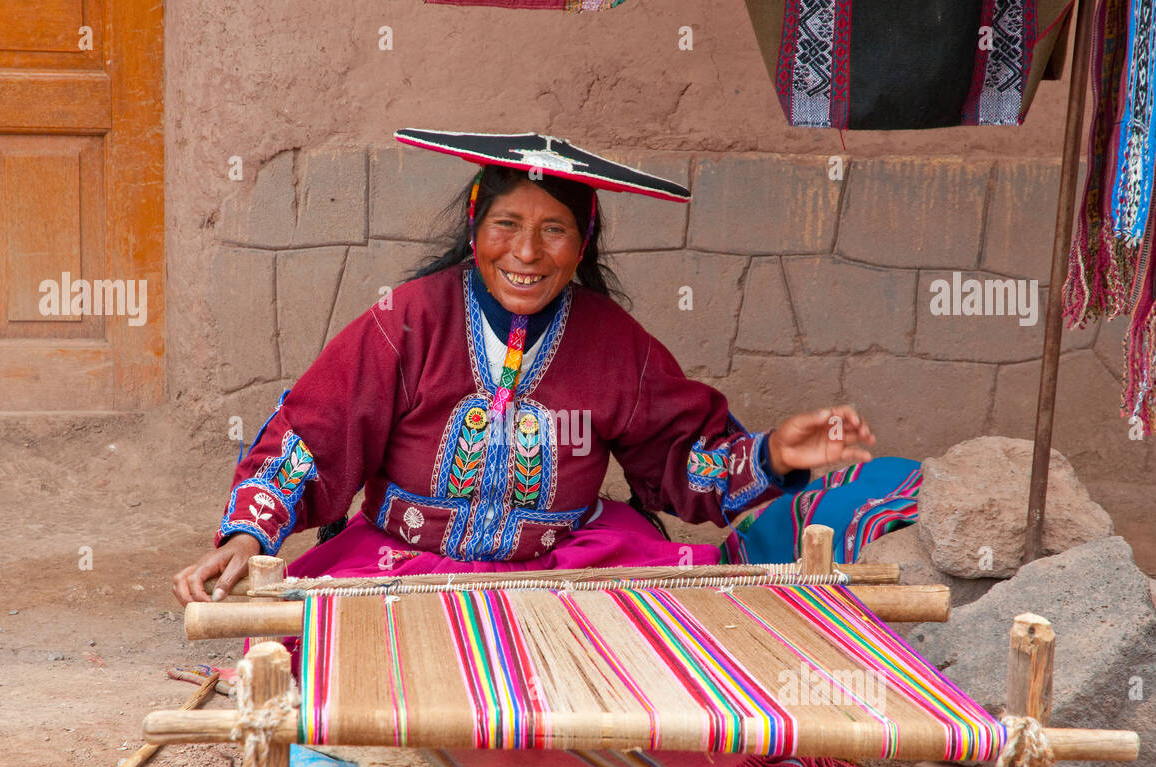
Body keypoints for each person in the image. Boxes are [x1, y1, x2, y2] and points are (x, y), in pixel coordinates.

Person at [173, 130, 876, 616]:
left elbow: (678, 456)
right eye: (507, 224)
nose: (527, 253)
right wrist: (246, 536)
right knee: (344, 667)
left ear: (582, 244)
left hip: (564, 571)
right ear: (475, 230)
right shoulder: (407, 318)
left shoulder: (614, 344)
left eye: (555, 230)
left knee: (663, 658)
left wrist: (772, 453)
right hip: (403, 566)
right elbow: (315, 435)